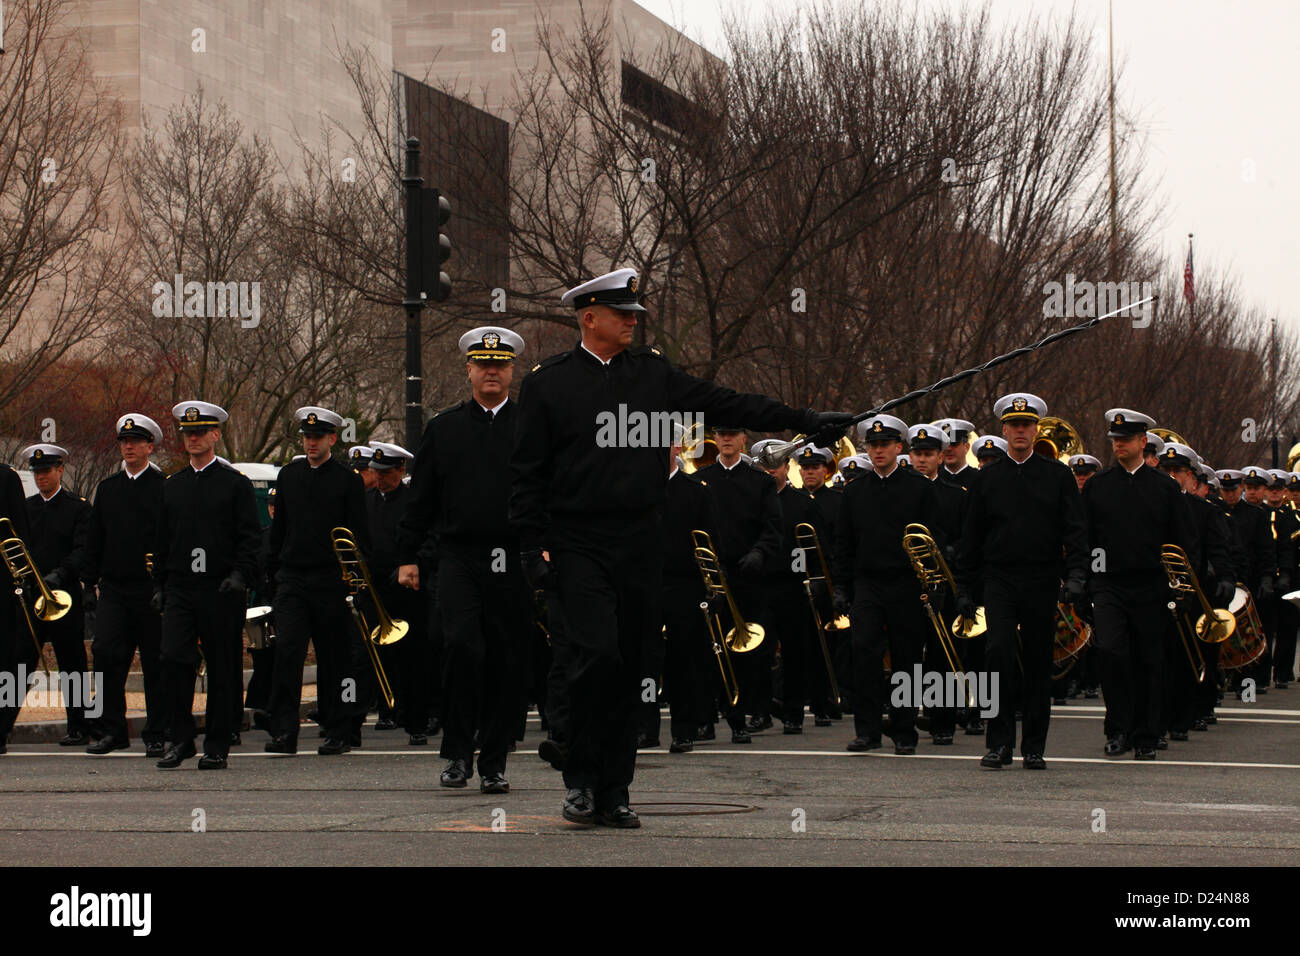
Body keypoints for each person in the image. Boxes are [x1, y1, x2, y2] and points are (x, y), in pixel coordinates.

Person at [510, 267, 850, 828]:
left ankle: (614, 790)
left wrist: (805, 419)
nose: (632, 323)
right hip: (577, 541)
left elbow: (727, 402)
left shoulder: (653, 375)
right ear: (589, 317)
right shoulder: (548, 384)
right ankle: (578, 774)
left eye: (635, 315)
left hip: (641, 542)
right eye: (622, 315)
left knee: (630, 667)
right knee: (593, 655)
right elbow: (526, 472)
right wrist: (530, 545)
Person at [397, 327, 531, 794]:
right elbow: (421, 499)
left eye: (500, 364)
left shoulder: (531, 425)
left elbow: (549, 492)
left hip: (511, 557)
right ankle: (457, 753)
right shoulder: (444, 428)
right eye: (483, 363)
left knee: (505, 658)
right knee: (460, 646)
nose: (491, 370)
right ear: (469, 369)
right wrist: (409, 555)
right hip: (459, 555)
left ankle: (493, 761)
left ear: (511, 370)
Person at [955, 395, 1087, 770]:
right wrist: (964, 587)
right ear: (1003, 430)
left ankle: (1033, 746)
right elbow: (972, 538)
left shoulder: (1057, 475)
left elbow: (1076, 531)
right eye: (1014, 425)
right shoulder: (987, 478)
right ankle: (998, 743)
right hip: (998, 578)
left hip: (1041, 576)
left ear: (1036, 430)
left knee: (1037, 659)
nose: (1020, 431)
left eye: (1027, 425)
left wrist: (1077, 576)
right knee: (997, 655)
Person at [1082, 409, 1195, 760]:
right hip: (1110, 585)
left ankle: (1147, 734)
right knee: (1112, 653)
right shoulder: (1099, 485)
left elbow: (1181, 540)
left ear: (1142, 442)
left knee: (1150, 660)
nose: (1119, 445)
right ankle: (1118, 729)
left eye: (1126, 440)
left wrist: (1181, 587)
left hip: (1151, 585)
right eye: (1115, 440)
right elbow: (1086, 537)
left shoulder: (1164, 487)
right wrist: (1087, 581)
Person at [153, 402, 261, 769]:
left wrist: (240, 575)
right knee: (173, 657)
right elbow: (163, 540)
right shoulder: (173, 486)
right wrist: (161, 584)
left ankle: (216, 743)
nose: (193, 438)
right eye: (188, 432)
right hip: (182, 587)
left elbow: (250, 538)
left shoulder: (235, 484)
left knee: (222, 665)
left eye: (200, 431)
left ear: (216, 435)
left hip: (220, 587)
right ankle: (180, 738)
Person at [264, 406, 370, 756]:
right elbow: (279, 531)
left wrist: (355, 580)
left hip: (330, 580)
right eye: (307, 437)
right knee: (288, 653)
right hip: (293, 579)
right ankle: (283, 732)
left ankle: (338, 729)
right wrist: (273, 573)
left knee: (334, 659)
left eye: (318, 437)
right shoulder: (289, 476)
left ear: (332, 439)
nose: (312, 443)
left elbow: (359, 534)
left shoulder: (347, 480)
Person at [833, 414, 941, 755]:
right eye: (872, 445)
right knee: (864, 653)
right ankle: (867, 730)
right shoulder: (854, 492)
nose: (878, 451)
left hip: (907, 584)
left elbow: (935, 539)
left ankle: (904, 730)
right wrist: (841, 587)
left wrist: (934, 584)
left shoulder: (920, 488)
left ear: (898, 447)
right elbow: (843, 543)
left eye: (884, 445)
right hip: (867, 583)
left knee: (907, 659)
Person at [83, 414, 167, 756]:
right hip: (115, 589)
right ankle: (112, 730)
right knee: (105, 656)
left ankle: (158, 733)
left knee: (155, 663)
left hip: (149, 589)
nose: (129, 447)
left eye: (136, 442)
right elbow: (95, 538)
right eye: (124, 442)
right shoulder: (107, 488)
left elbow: (170, 539)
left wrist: (166, 584)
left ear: (150, 446)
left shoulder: (164, 487)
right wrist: (89, 583)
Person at [20, 444, 94, 745]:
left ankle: (79, 726)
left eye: (47, 471)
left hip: (63, 595)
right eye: (37, 472)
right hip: (31, 594)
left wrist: (60, 574)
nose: (41, 478)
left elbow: (82, 551)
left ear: (60, 470)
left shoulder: (78, 508)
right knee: (19, 660)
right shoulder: (26, 508)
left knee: (72, 661)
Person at [752, 437, 826, 734]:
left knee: (796, 651)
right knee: (758, 651)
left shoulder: (802, 504)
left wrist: (818, 579)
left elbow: (817, 546)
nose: (771, 472)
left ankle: (793, 712)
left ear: (786, 467)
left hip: (793, 585)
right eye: (764, 467)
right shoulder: (753, 502)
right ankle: (759, 711)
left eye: (776, 466)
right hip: (759, 584)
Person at [0, 458, 35, 755]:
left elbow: (19, 531)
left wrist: (20, 582)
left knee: (5, 657)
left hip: (1, 584)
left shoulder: (6, 478)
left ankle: (0, 727)